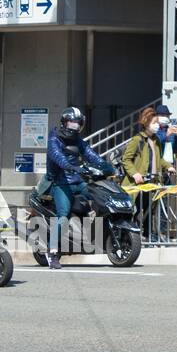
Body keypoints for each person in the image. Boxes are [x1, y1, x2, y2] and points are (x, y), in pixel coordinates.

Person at [44, 107, 113, 269]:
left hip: (78, 181)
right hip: (61, 183)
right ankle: (52, 252)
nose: (74, 125)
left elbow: (91, 154)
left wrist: (106, 166)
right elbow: (57, 156)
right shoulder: (54, 139)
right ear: (64, 122)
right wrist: (69, 166)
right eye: (71, 122)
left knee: (100, 194)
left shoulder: (78, 141)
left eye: (77, 123)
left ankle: (94, 226)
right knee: (64, 215)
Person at [123, 107, 175, 242]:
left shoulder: (156, 140)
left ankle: (147, 236)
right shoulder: (137, 140)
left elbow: (159, 158)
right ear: (146, 123)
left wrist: (168, 166)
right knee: (136, 210)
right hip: (138, 183)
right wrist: (135, 174)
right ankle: (131, 237)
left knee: (148, 210)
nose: (157, 126)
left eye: (157, 123)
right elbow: (126, 159)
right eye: (154, 123)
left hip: (151, 182)